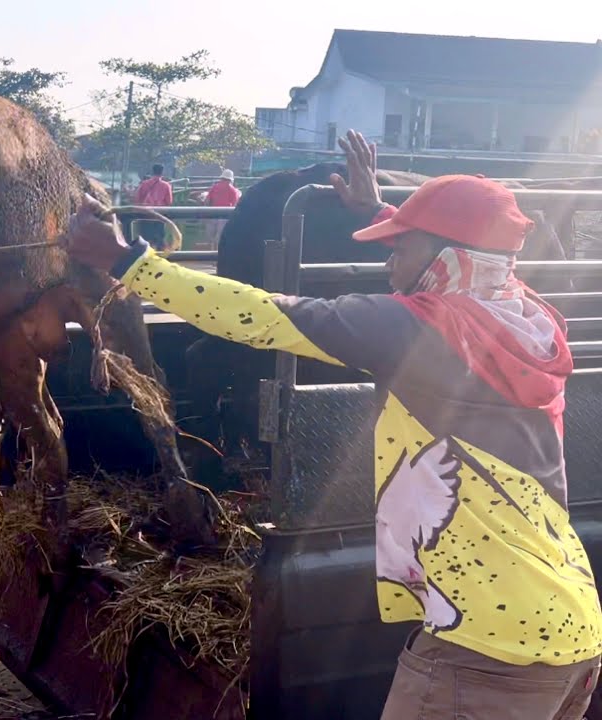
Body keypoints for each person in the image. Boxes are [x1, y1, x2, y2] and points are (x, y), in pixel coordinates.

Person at [66, 129, 602, 720]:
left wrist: (125, 261)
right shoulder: (528, 318)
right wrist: (384, 212)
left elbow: (259, 317)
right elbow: (464, 253)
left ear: (447, 261)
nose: (389, 261)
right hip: (567, 623)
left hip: (488, 648)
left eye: (401, 248)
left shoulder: (417, 330)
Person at [202, 168, 240, 248]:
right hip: (224, 215)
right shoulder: (233, 190)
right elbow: (235, 205)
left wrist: (206, 213)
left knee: (210, 237)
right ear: (231, 179)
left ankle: (208, 253)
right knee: (220, 238)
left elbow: (207, 201)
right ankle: (216, 255)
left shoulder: (215, 187)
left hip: (212, 213)